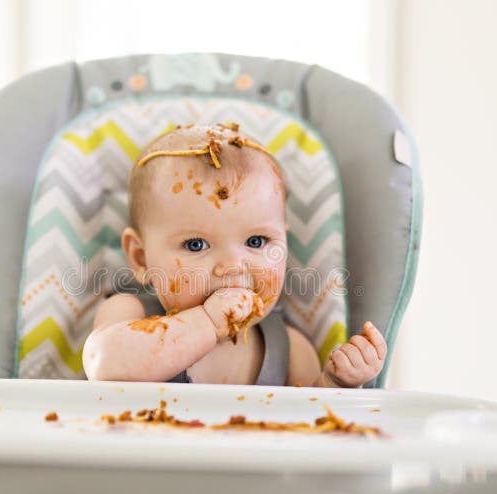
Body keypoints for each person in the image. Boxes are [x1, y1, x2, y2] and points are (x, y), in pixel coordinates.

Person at [83, 123, 387, 387]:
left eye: (256, 241)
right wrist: (206, 323)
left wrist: (336, 383)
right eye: (196, 245)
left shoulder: (290, 350)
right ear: (140, 258)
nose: (231, 267)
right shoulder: (130, 314)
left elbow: (309, 427)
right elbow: (105, 362)